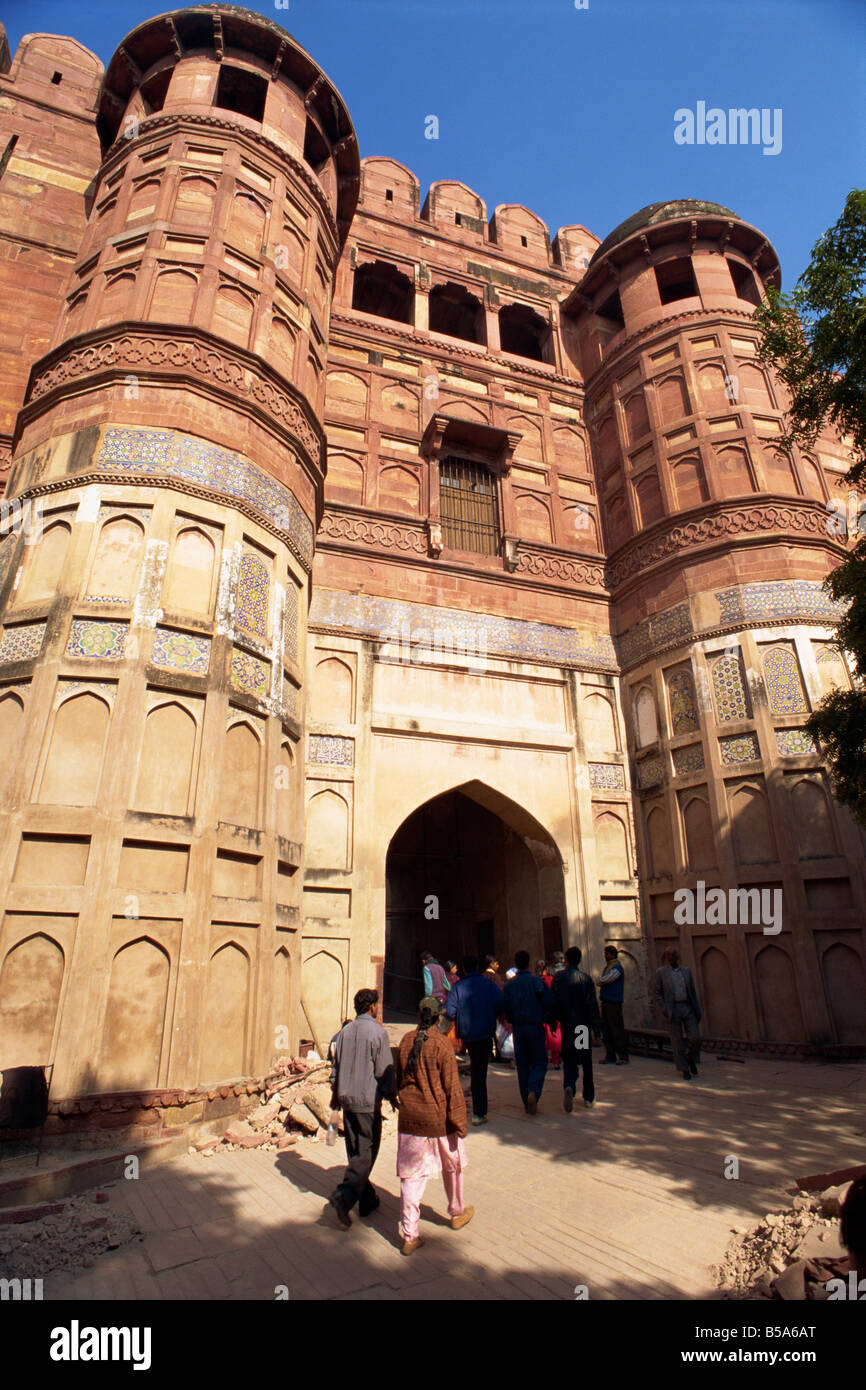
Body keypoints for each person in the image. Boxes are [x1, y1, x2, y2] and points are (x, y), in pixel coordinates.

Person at [395, 996, 472, 1256]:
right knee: (454, 1165)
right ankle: (457, 1211)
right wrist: (459, 1120)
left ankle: (410, 1234)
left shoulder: (406, 1040)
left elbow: (398, 1080)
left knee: (411, 1177)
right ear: (439, 1017)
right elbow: (452, 1086)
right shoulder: (441, 1044)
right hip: (438, 1118)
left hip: (411, 1118)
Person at [328, 988, 396, 1228]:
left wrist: (336, 1096)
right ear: (372, 1007)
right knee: (366, 1154)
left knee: (357, 1151)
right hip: (367, 1102)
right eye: (376, 1004)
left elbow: (335, 1068)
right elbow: (384, 1070)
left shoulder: (344, 1032)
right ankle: (344, 1197)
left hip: (347, 1100)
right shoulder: (378, 1033)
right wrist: (392, 1095)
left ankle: (367, 1200)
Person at [445, 954, 504, 1125]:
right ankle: (479, 1111)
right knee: (480, 1070)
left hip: (469, 1033)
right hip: (485, 1032)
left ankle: (479, 1110)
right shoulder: (488, 985)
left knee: (476, 1068)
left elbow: (450, 1011)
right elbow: (500, 1005)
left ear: (463, 968)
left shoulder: (459, 987)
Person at [503, 950, 555, 1114]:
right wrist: (550, 1018)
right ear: (528, 963)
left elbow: (505, 1007)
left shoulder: (509, 985)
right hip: (535, 1026)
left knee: (523, 1065)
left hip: (519, 1028)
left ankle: (527, 1101)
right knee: (539, 1062)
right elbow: (549, 1001)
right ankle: (534, 1090)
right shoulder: (536, 981)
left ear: (516, 963)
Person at [553, 946, 602, 1111]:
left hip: (567, 1025)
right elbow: (592, 1005)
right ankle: (588, 1096)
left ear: (566, 959)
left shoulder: (559, 978)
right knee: (586, 1060)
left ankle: (569, 1085)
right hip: (582, 1026)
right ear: (579, 960)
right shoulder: (585, 979)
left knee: (569, 1058)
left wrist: (554, 1021)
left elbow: (554, 1003)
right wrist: (597, 1029)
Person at [655, 947, 702, 1080]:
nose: (671, 958)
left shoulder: (686, 971)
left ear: (677, 957)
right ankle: (684, 1068)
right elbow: (657, 993)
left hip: (687, 1006)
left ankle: (691, 1059)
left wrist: (696, 1008)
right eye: (668, 955)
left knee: (695, 1038)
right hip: (672, 1008)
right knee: (677, 1041)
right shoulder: (661, 973)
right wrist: (664, 1008)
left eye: (673, 955)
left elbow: (692, 991)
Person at [598, 945, 629, 1065]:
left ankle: (623, 1056)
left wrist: (600, 980)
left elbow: (606, 980)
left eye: (607, 954)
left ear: (612, 954)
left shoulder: (617, 968)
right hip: (607, 1001)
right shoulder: (609, 967)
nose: (605, 956)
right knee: (607, 1030)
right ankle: (610, 1055)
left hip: (613, 1002)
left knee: (616, 1029)